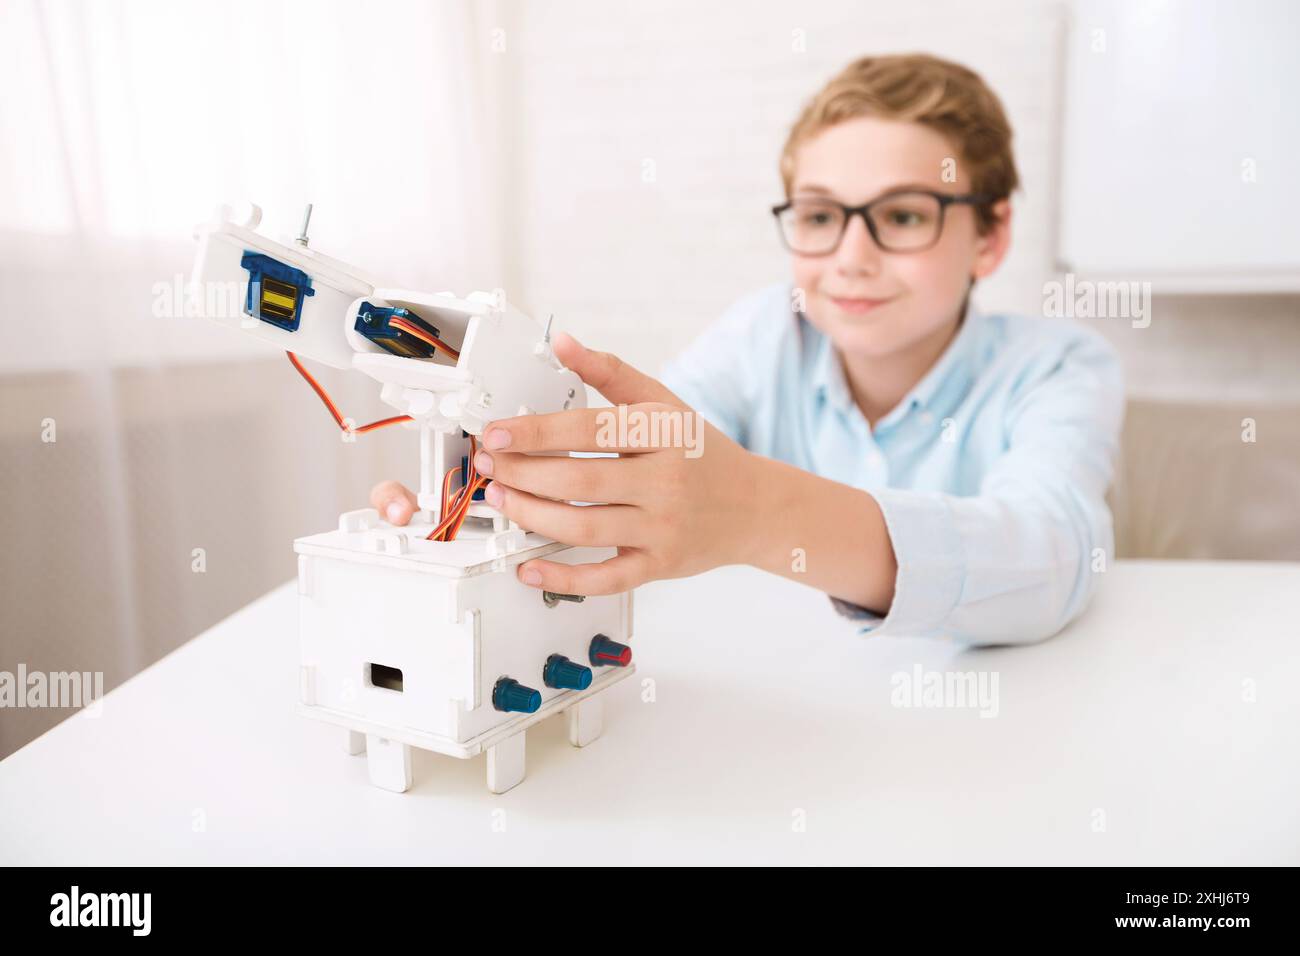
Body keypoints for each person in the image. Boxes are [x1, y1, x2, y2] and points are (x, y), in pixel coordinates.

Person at [370, 53, 1123, 645]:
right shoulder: (766, 333)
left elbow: (1054, 557)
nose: (851, 258)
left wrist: (754, 509)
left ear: (989, 237)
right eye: (822, 216)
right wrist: (487, 491)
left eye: (901, 215)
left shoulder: (1059, 367)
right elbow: (642, 475)